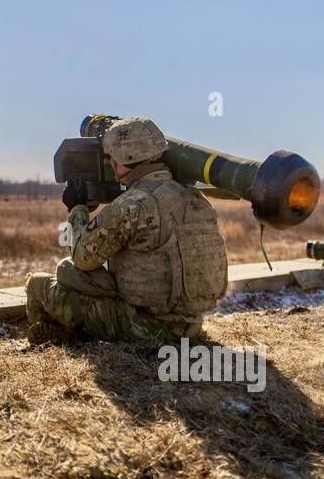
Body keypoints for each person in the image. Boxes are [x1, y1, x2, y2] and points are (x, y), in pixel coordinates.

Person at [25, 116, 228, 344]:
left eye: (112, 158)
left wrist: (77, 208)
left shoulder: (132, 205)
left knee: (38, 283)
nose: (110, 163)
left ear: (125, 159)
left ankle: (55, 336)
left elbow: (82, 257)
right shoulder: (195, 198)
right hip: (190, 325)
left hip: (143, 327)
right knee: (69, 271)